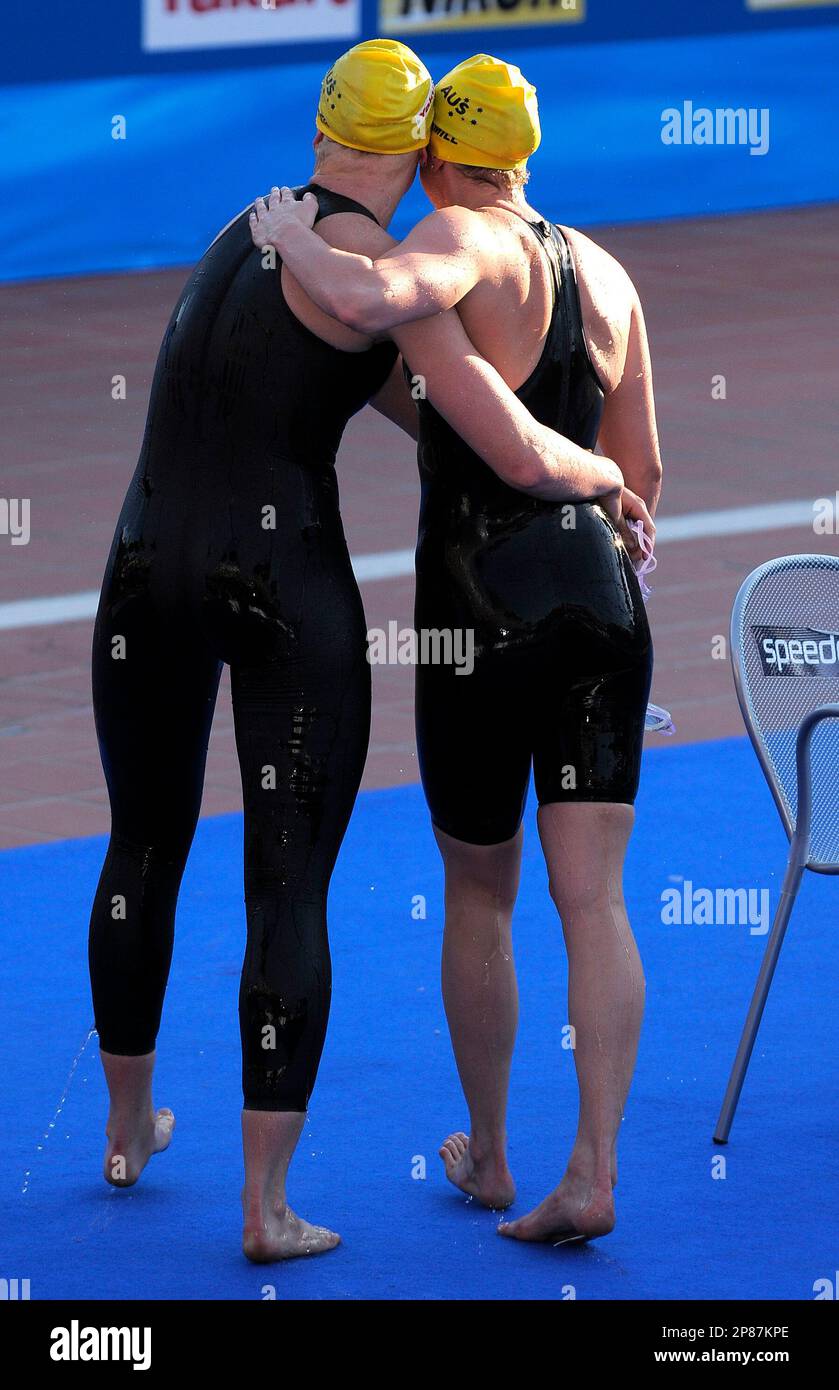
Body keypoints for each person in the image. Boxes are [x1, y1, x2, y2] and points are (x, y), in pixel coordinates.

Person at [88, 40, 628, 1264]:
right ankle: (265, 1208)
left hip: (141, 569)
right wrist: (598, 478)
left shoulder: (256, 225)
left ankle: (127, 1128)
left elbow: (364, 377)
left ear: (326, 126)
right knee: (286, 882)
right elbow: (490, 433)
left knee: (140, 844)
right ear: (423, 151)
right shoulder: (379, 265)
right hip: (281, 589)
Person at [248, 52, 663, 1246]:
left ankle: (487, 1153)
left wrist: (295, 237)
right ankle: (593, 1170)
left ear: (436, 154)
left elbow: (377, 304)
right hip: (600, 597)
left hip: (479, 602)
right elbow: (640, 476)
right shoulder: (613, 276)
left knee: (481, 892)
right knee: (597, 902)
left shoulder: (459, 239)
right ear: (525, 152)